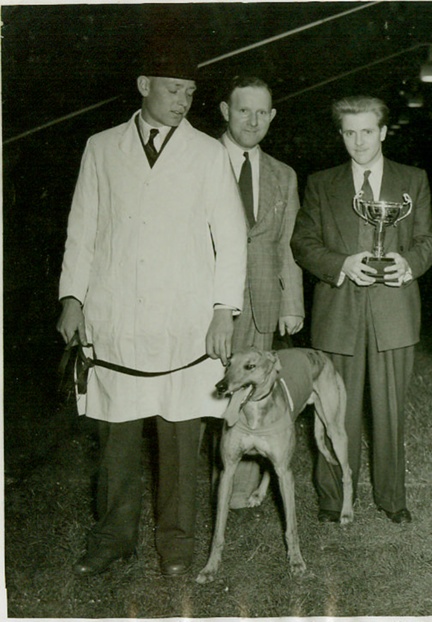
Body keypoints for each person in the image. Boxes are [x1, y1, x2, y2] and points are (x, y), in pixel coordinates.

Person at [56, 39, 247, 578]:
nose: (182, 102)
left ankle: (177, 546)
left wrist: (221, 312)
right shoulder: (100, 147)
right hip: (114, 316)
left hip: (183, 322)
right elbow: (82, 230)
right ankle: (113, 538)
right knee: (116, 434)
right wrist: (72, 298)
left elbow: (231, 241)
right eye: (172, 90)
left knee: (180, 438)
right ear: (144, 87)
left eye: (189, 92)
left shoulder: (209, 153)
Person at [291, 95, 432, 524]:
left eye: (367, 131)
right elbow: (303, 243)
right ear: (341, 134)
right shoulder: (321, 183)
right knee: (336, 411)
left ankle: (392, 498)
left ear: (384, 132)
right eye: (350, 132)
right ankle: (333, 498)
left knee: (390, 411)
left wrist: (407, 264)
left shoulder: (413, 179)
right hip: (338, 313)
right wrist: (341, 265)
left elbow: (429, 240)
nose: (359, 141)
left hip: (394, 311)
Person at [219, 75, 304, 509]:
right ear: (224, 112)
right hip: (209, 304)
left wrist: (292, 304)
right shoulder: (201, 160)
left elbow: (286, 243)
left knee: (252, 394)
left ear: (272, 116)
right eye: (243, 110)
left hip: (263, 303)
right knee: (207, 391)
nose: (252, 120)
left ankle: (239, 495)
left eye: (261, 112)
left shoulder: (283, 175)